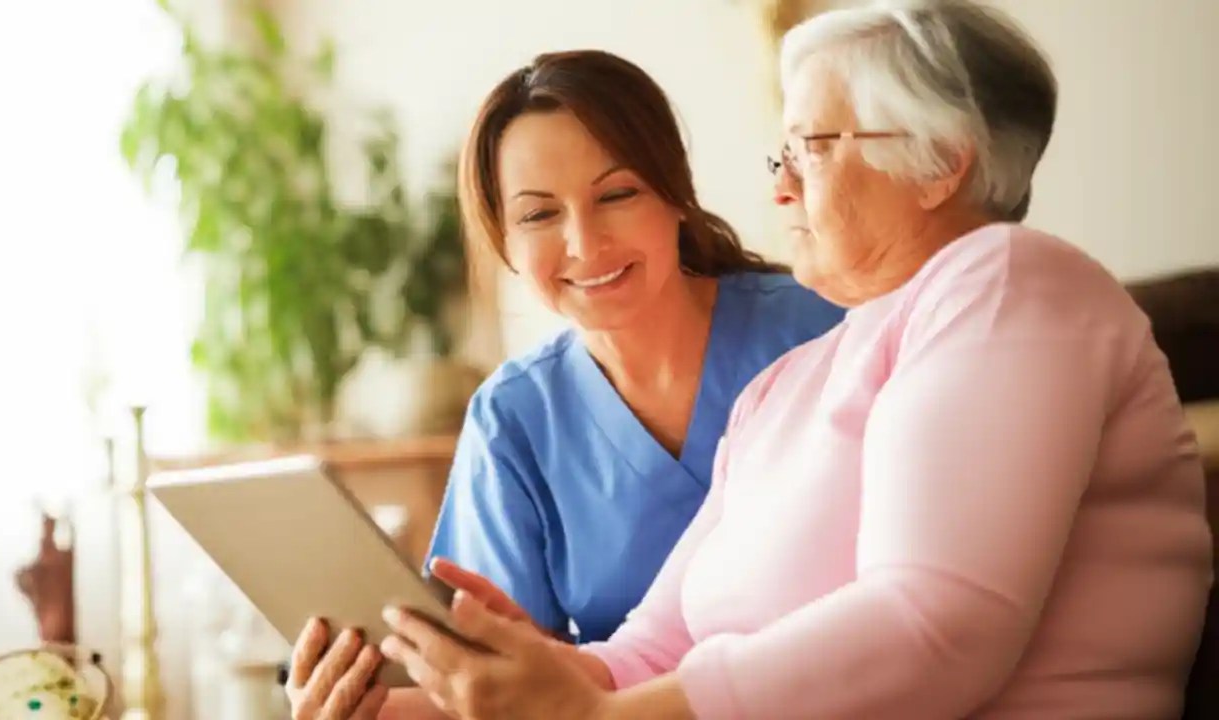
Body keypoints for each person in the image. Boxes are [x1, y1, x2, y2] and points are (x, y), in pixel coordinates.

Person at [379, 2, 1214, 718]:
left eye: (811, 147)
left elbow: (937, 627)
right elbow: (649, 651)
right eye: (780, 154)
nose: (779, 187)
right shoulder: (786, 385)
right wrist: (432, 692)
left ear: (940, 162)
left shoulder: (1007, 283)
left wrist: (606, 716)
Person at [284, 49, 843, 719]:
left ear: (675, 194)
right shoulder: (515, 419)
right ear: (504, 241)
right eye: (539, 215)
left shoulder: (829, 327)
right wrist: (352, 703)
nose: (585, 244)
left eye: (617, 195)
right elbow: (488, 690)